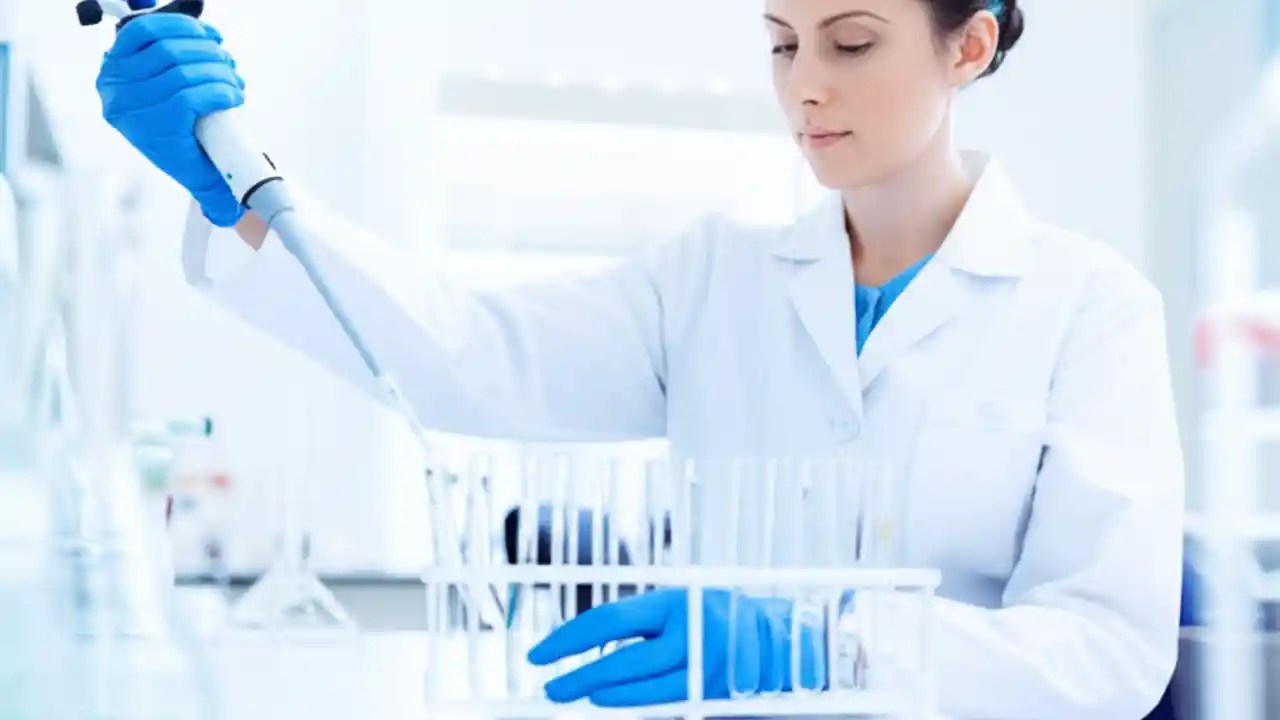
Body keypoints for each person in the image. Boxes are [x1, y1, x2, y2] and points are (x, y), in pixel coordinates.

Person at [97, 0, 1185, 716]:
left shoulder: (1086, 310)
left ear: (969, 44)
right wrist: (231, 185)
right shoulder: (711, 280)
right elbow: (467, 356)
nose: (803, 85)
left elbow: (1108, 655)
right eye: (779, 41)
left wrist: (826, 643)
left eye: (849, 42)